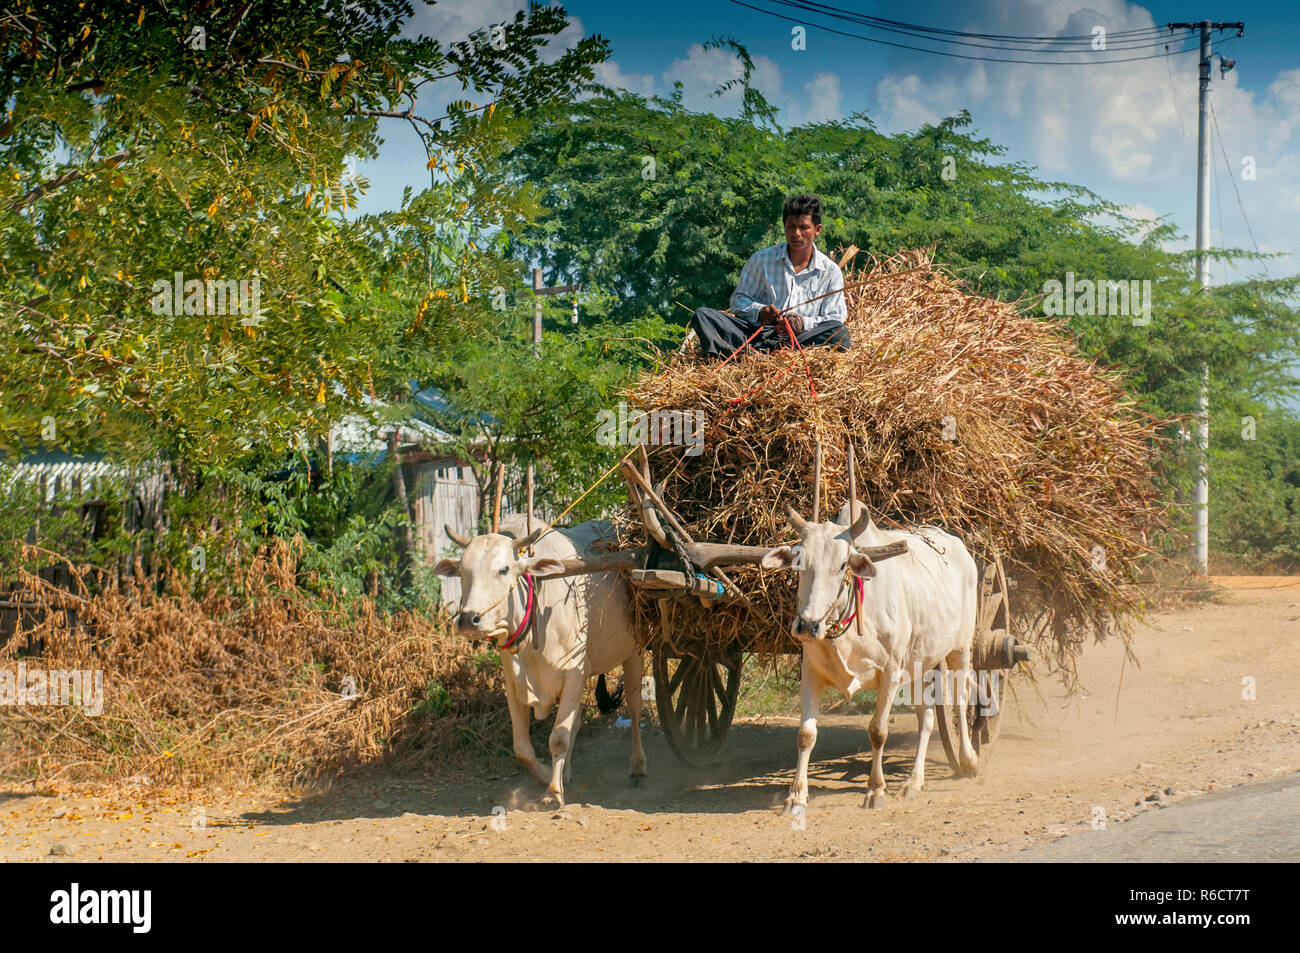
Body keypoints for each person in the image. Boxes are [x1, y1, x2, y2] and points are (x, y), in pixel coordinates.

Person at [691, 194, 850, 359]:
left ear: (817, 230)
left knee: (839, 333)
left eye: (803, 227)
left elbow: (835, 318)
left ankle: (743, 353)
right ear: (784, 226)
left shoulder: (830, 271)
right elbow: (738, 301)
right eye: (791, 227)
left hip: (801, 339)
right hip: (758, 335)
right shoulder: (762, 260)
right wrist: (760, 311)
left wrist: (802, 323)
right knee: (703, 315)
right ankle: (749, 354)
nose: (796, 233)